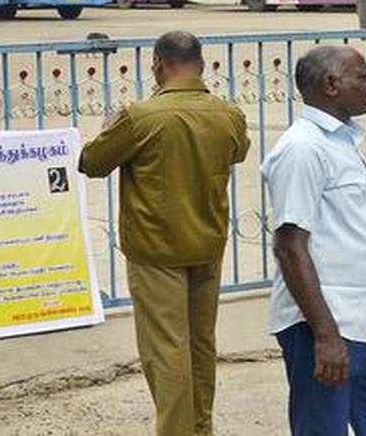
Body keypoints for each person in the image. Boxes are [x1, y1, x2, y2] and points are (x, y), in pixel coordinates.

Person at [78, 30, 250, 436]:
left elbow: (92, 162)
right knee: (200, 343)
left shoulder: (141, 116)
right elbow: (239, 151)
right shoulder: (228, 114)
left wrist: (108, 129)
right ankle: (200, 427)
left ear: (157, 64)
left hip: (157, 250)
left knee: (166, 351)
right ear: (201, 66)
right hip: (208, 243)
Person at [264, 45, 366, 436]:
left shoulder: (343, 142)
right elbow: (289, 246)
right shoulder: (302, 149)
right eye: (363, 76)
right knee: (323, 428)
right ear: (332, 84)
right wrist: (326, 334)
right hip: (326, 325)